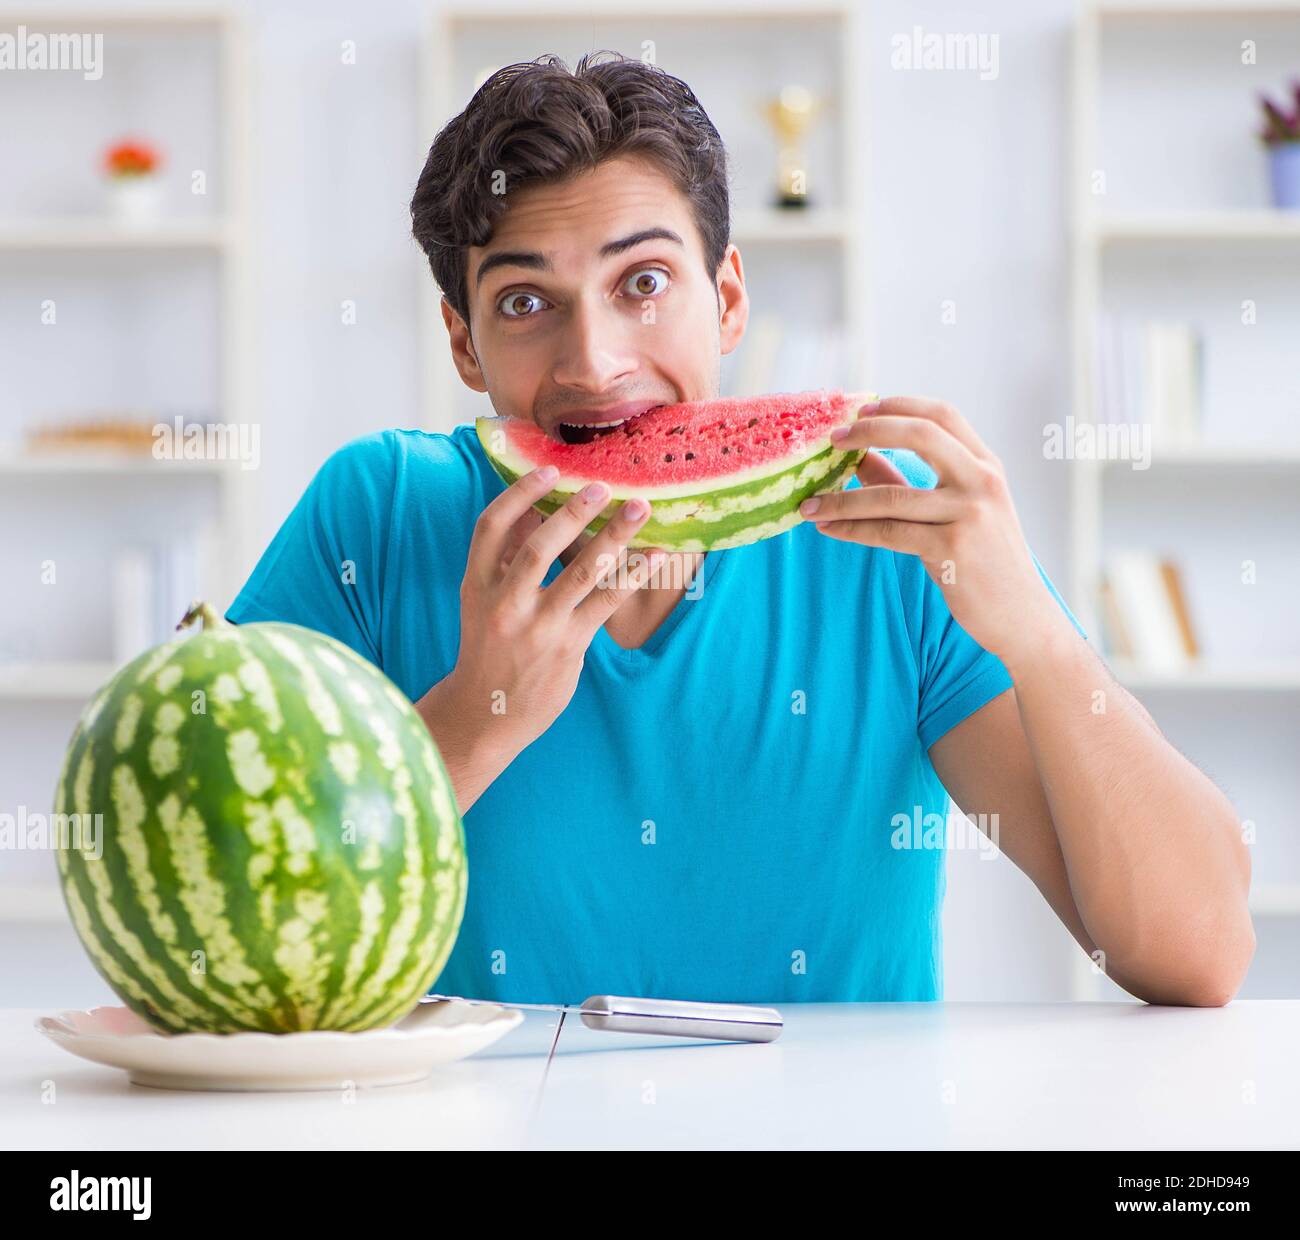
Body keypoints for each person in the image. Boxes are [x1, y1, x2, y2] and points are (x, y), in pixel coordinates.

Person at [226, 53, 1253, 1007]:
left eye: (643, 282)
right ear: (463, 342)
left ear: (725, 300)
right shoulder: (378, 515)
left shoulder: (883, 538)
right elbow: (227, 949)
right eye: (527, 300)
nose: (593, 360)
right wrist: (473, 720)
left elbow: (1194, 956)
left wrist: (1035, 629)